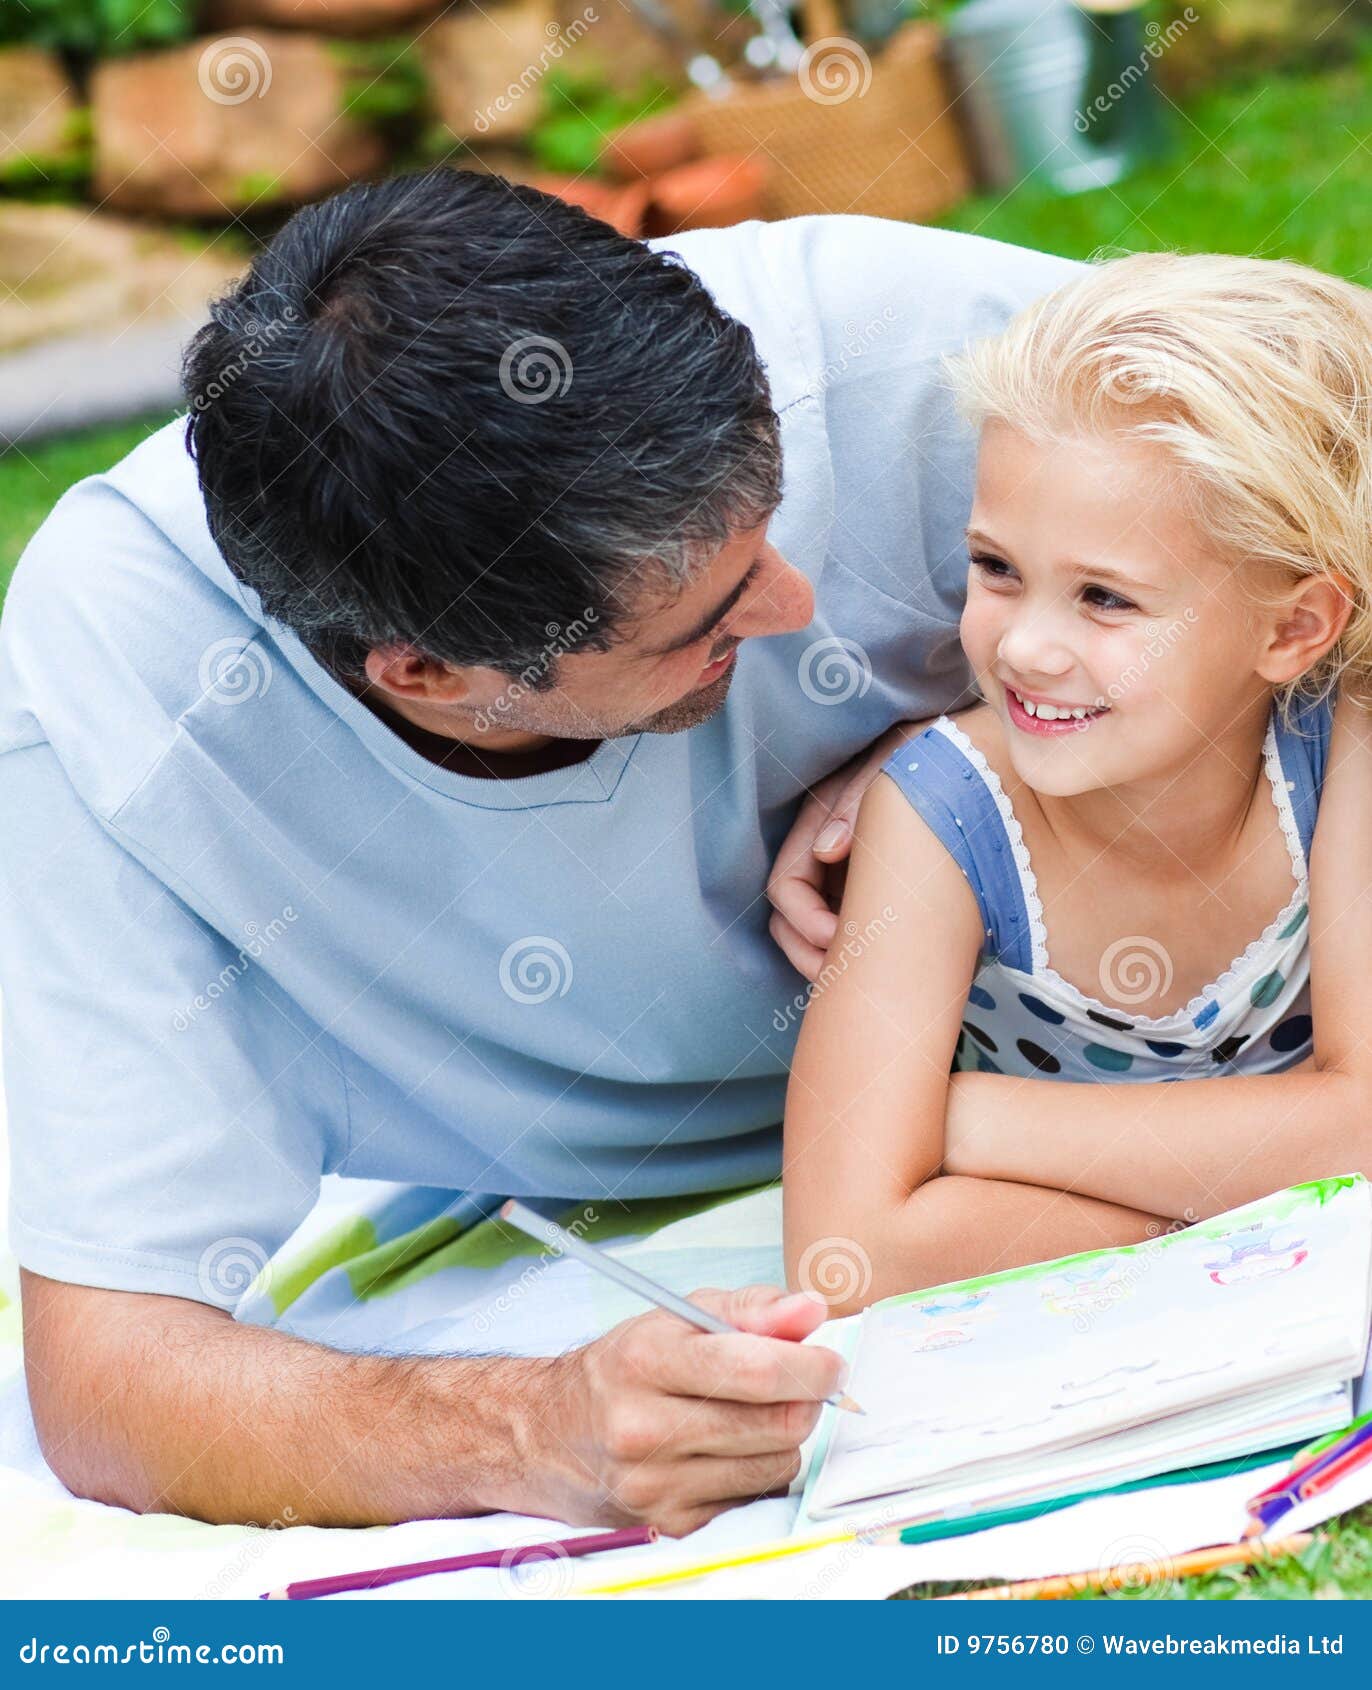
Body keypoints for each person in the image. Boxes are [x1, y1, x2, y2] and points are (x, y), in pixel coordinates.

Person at [0, 168, 1076, 1532]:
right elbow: (108, 1378)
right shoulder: (114, 706)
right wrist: (524, 1430)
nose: (797, 604)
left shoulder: (894, 344)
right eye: (713, 621)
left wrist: (987, 735)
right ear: (431, 674)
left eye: (774, 526)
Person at [784, 252, 1372, 1311]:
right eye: (996, 568)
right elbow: (846, 1249)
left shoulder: (1342, 742)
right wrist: (1250, 1192)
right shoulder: (942, 817)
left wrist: (974, 1123)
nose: (1026, 650)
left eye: (1105, 597)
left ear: (1291, 627)